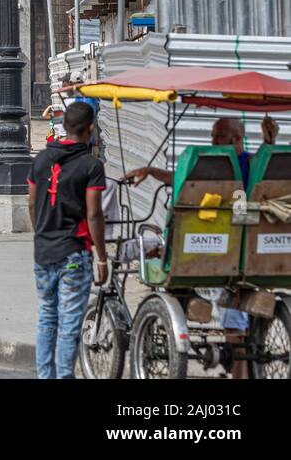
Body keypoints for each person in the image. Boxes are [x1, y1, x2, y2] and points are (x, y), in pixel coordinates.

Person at [125, 115, 280, 378]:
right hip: (216, 250)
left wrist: (270, 142)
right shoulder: (210, 165)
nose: (213, 142)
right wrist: (150, 171)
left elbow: (267, 173)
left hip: (229, 253)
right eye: (212, 136)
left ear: (237, 140)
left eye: (219, 137)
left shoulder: (249, 164)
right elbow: (179, 179)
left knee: (235, 320)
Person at [27, 100, 107, 379]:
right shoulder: (91, 166)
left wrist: (43, 234)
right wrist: (102, 257)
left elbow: (32, 204)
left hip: (44, 251)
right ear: (90, 129)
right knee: (70, 325)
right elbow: (95, 213)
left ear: (65, 126)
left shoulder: (40, 160)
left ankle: (45, 376)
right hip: (74, 252)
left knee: (47, 318)